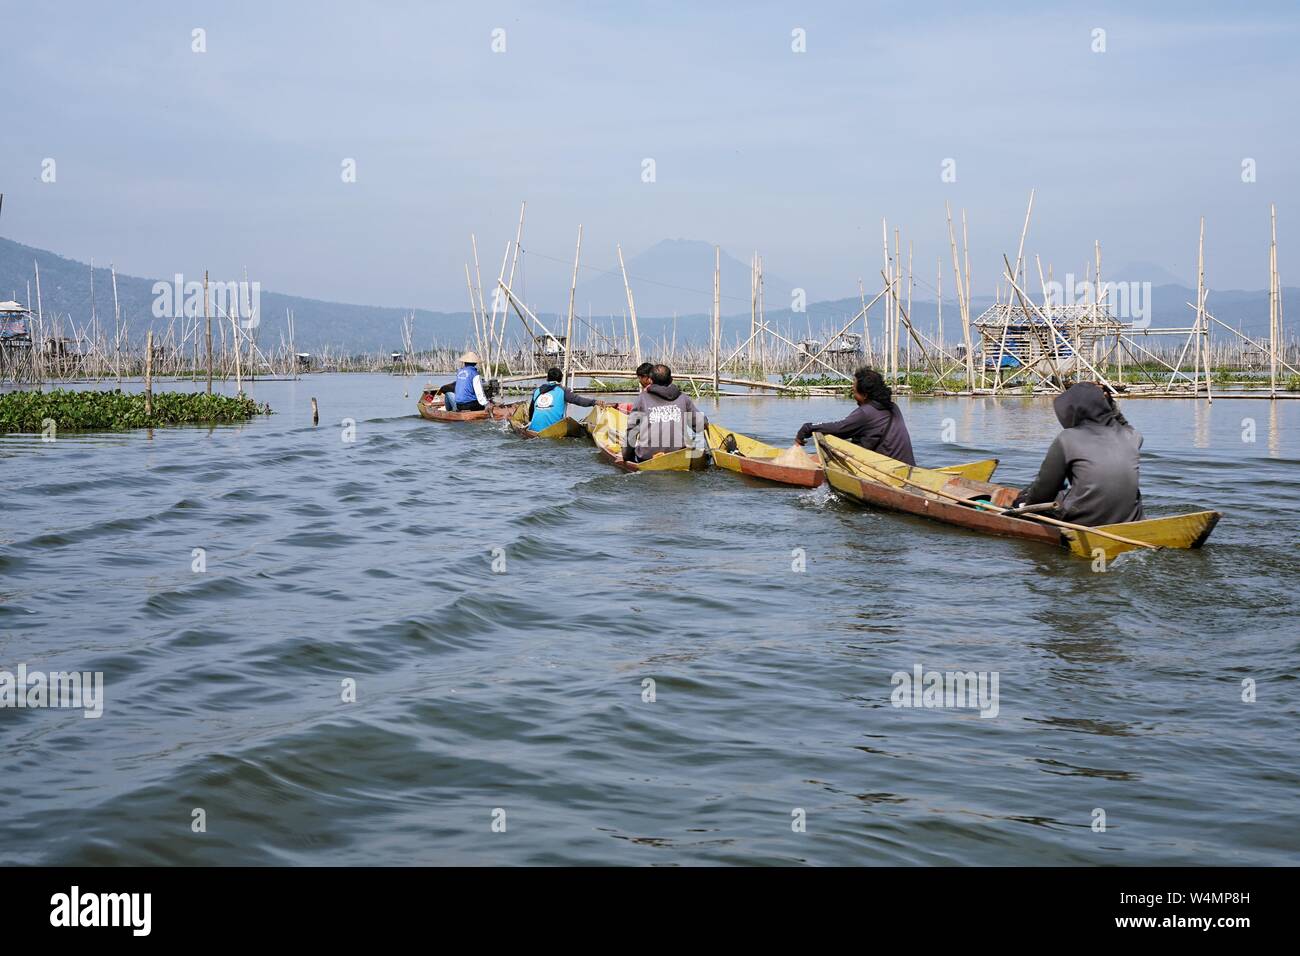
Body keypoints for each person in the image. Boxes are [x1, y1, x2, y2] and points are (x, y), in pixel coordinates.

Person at [1011, 382, 1143, 526]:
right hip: (1131, 520)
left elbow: (1044, 491)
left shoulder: (1067, 439)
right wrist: (1109, 401)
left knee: (1024, 497)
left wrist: (1026, 506)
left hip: (1083, 521)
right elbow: (1121, 422)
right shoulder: (1133, 436)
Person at [794, 366, 914, 465]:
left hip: (886, 471)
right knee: (854, 442)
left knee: (834, 444)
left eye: (854, 391)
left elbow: (840, 429)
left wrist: (808, 427)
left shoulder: (866, 413)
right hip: (907, 467)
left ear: (865, 395)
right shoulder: (894, 407)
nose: (853, 395)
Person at [622, 364, 708, 462]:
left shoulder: (641, 399)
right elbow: (700, 425)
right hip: (679, 454)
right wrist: (705, 421)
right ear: (671, 380)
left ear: (650, 380)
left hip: (648, 457)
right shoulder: (683, 398)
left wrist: (626, 456)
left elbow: (632, 431)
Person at [527, 367, 608, 430]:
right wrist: (594, 402)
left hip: (534, 428)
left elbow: (531, 410)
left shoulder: (537, 391)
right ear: (561, 378)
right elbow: (578, 400)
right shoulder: (563, 391)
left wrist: (530, 422)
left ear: (547, 378)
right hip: (553, 429)